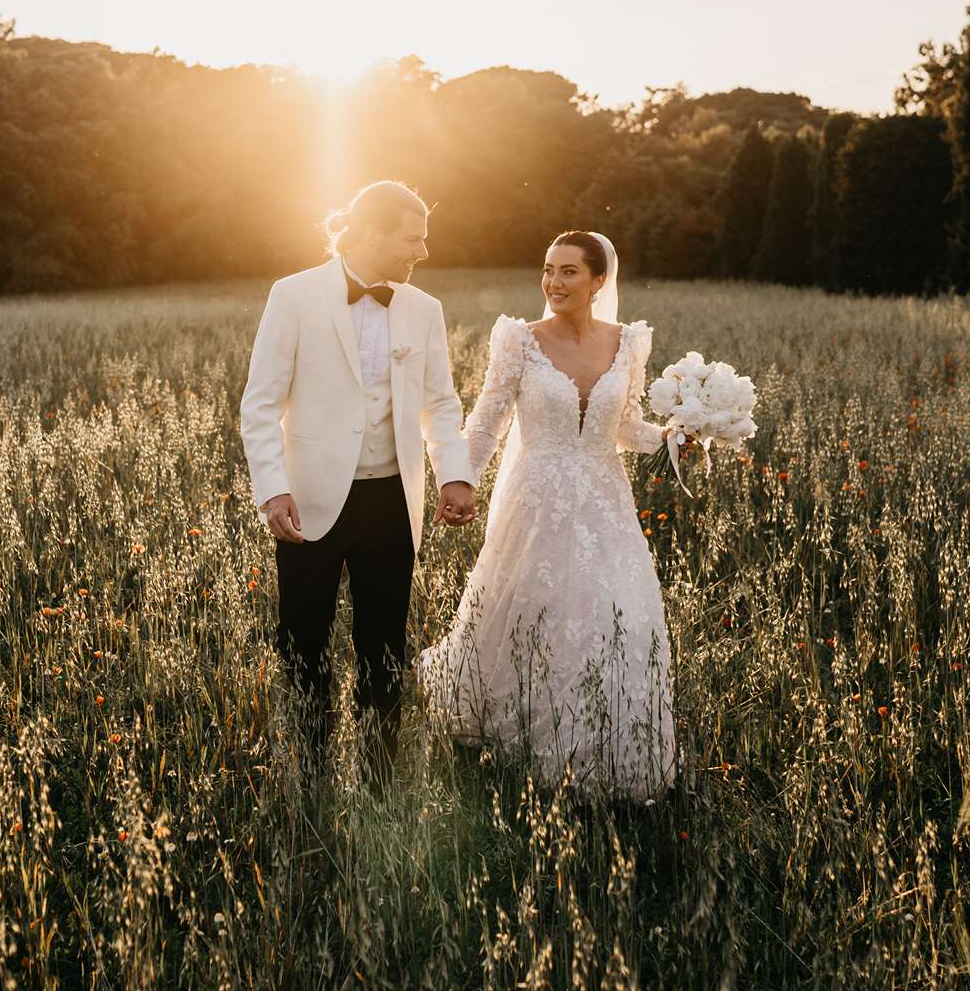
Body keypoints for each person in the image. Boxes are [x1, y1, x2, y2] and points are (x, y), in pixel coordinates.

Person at [416, 230, 679, 800]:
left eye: (568, 272)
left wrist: (676, 437)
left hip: (605, 501)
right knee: (533, 614)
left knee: (617, 615)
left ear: (598, 281)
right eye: (547, 270)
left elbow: (627, 427)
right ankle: (521, 742)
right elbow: (487, 422)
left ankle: (611, 755)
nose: (553, 283)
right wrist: (460, 481)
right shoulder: (520, 341)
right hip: (534, 500)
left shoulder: (629, 344)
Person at [239, 180, 478, 789]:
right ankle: (312, 771)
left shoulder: (424, 309)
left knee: (384, 648)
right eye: (412, 237)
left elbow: (441, 404)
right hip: (308, 502)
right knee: (304, 643)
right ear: (371, 232)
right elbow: (261, 404)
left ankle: (380, 777)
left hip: (393, 501)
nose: (421, 251)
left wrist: (454, 474)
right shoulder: (292, 295)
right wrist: (272, 488)